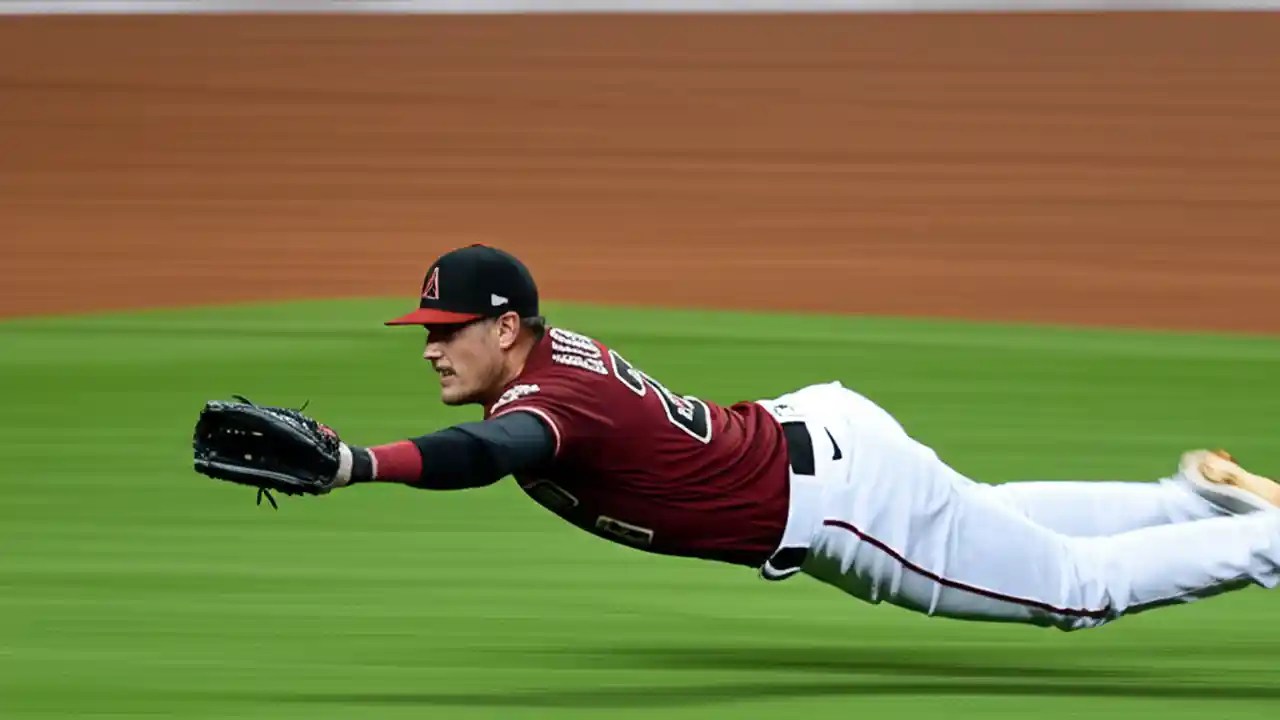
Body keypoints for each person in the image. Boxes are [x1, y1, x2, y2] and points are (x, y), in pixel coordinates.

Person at [293, 244, 1280, 631]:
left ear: (507, 328)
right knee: (989, 517)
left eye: (447, 330)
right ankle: (1190, 500)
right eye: (427, 331)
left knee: (1076, 591)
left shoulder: (553, 398)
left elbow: (485, 457)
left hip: (840, 506)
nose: (431, 348)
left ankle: (1263, 538)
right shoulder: (553, 360)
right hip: (822, 435)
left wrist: (355, 466)